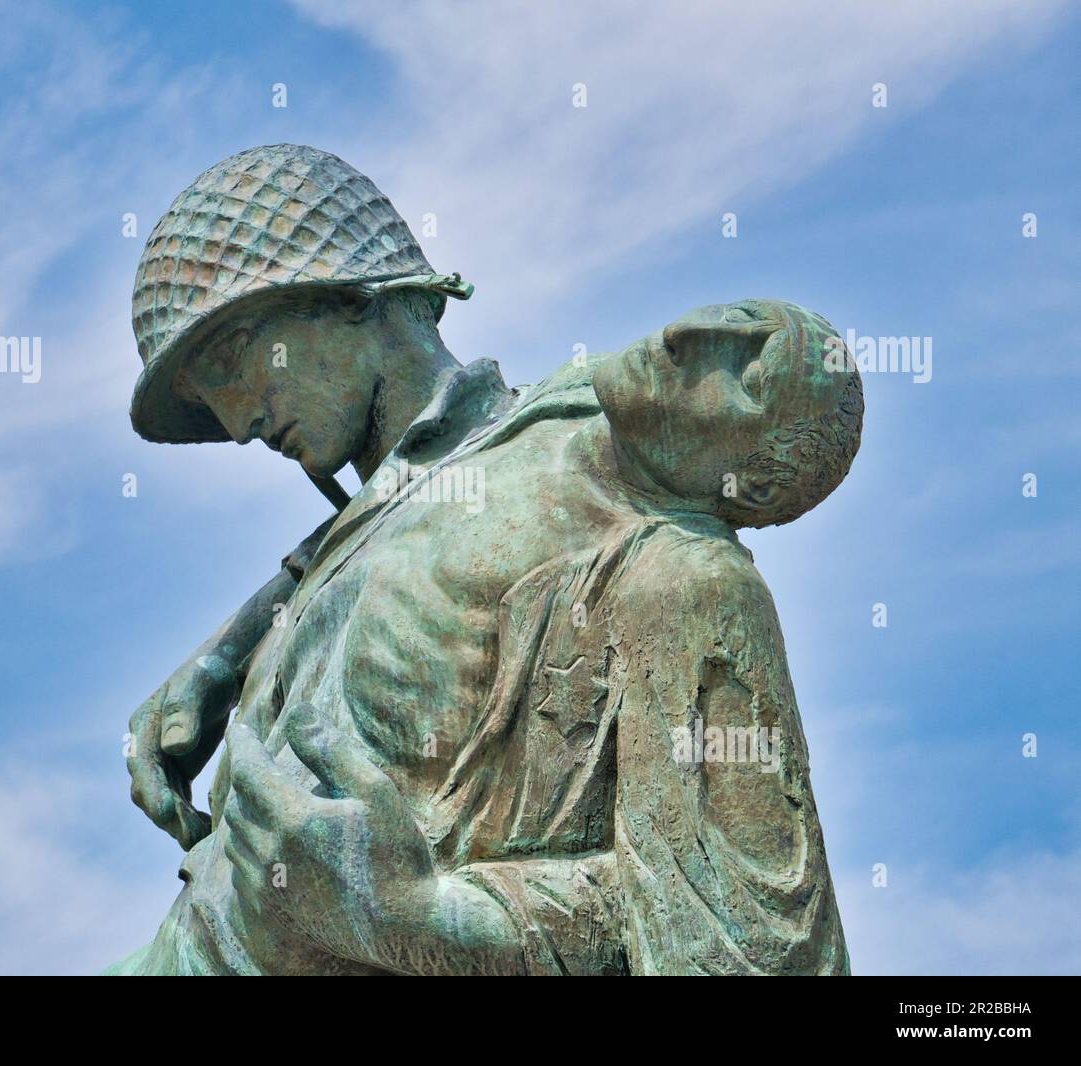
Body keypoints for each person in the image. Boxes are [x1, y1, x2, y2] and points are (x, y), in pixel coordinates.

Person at [113, 144, 862, 975]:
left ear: (348, 296)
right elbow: (400, 515)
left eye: (231, 360)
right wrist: (230, 654)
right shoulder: (461, 475)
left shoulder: (664, 549)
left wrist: (418, 919)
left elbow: (732, 926)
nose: (237, 420)